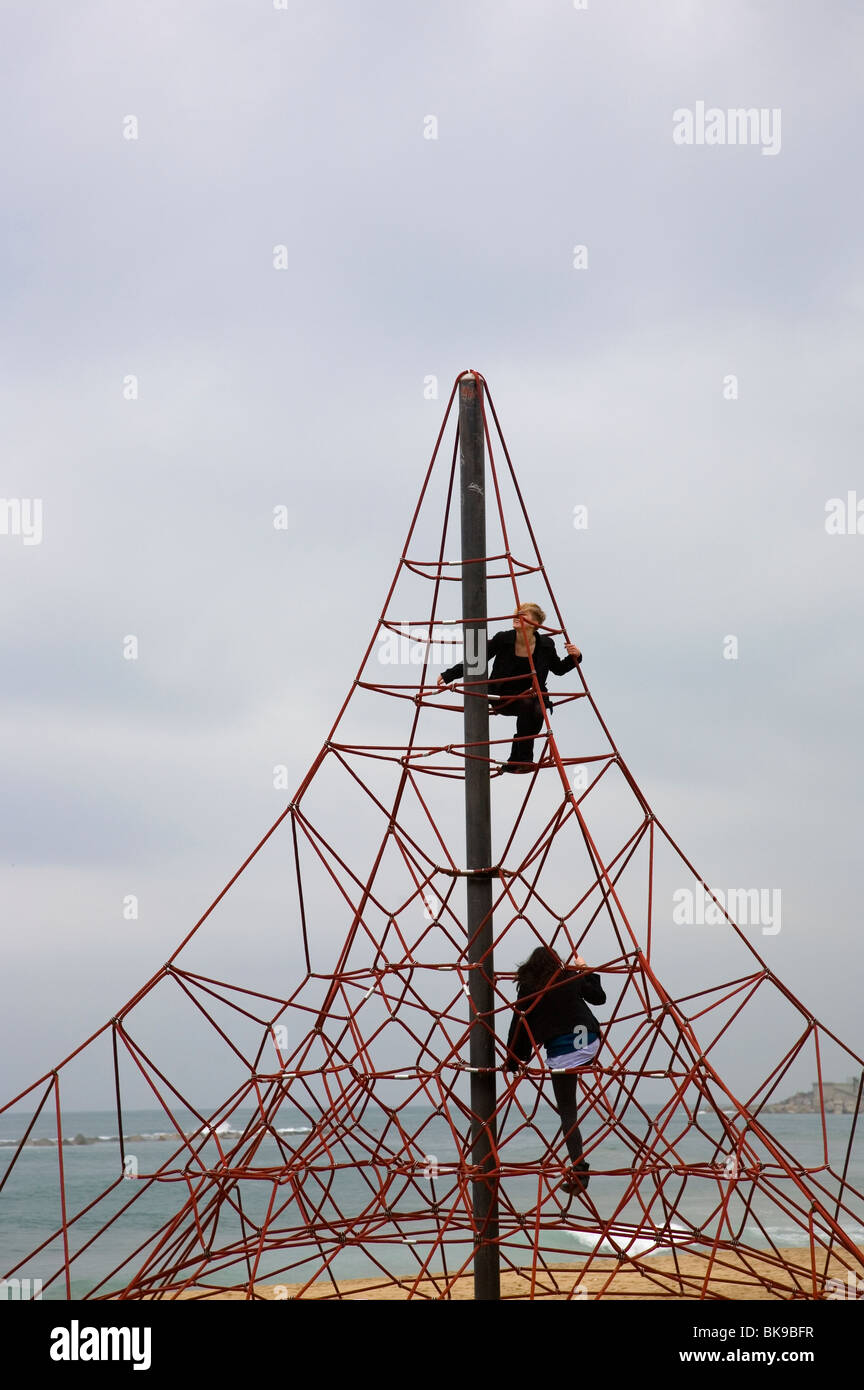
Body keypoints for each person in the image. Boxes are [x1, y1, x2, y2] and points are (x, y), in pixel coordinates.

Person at [504, 944, 605, 1193]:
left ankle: (580, 1172)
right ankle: (585, 1062)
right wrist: (584, 970)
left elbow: (519, 1023)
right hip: (589, 1043)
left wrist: (514, 1060)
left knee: (568, 1111)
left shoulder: (529, 988)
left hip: (562, 1053)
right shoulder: (568, 977)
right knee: (577, 1061)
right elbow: (599, 998)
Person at [436, 603, 582, 773]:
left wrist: (576, 657)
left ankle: (517, 760)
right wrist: (448, 675)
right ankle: (522, 759)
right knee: (530, 705)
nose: (516, 617)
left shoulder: (546, 645)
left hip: (531, 696)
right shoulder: (503, 639)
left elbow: (558, 669)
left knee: (538, 709)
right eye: (515, 614)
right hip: (501, 696)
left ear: (536, 624)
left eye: (523, 615)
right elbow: (476, 660)